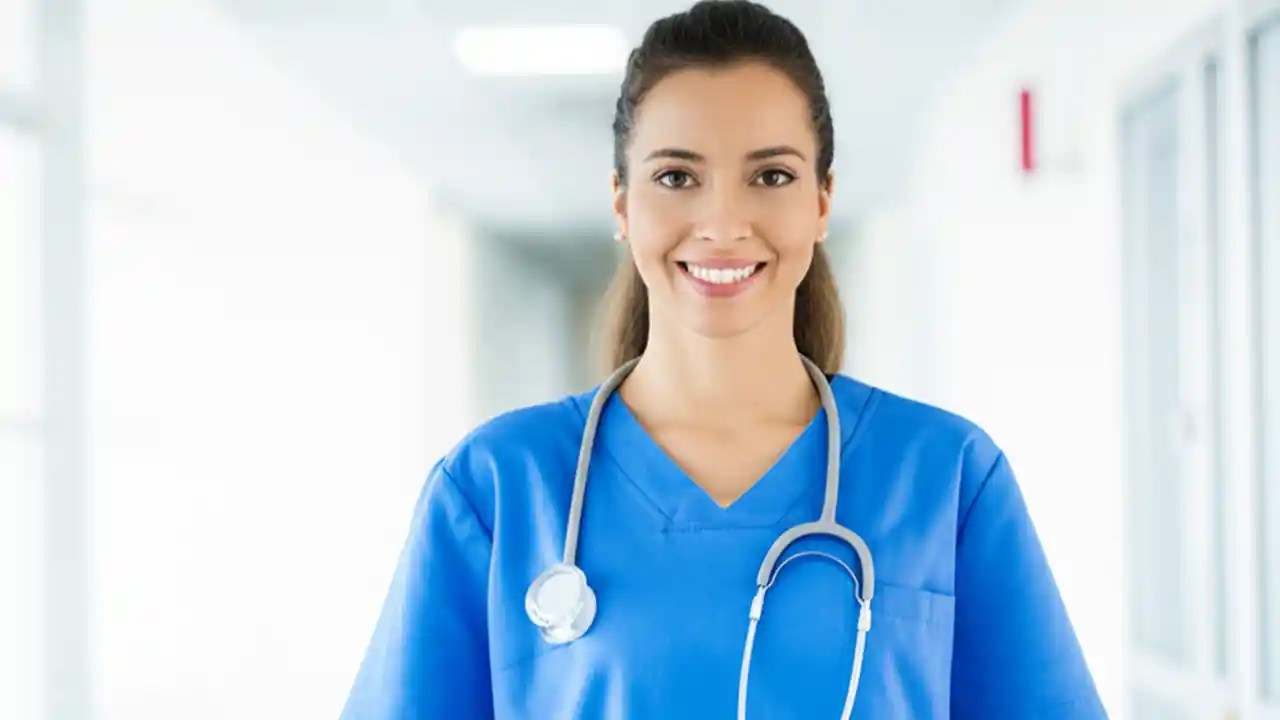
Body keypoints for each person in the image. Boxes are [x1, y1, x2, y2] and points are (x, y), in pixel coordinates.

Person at [340, 1, 1107, 718]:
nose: (722, 221)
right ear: (621, 204)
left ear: (820, 202)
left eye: (770, 176)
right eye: (677, 177)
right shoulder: (497, 487)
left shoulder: (946, 479)